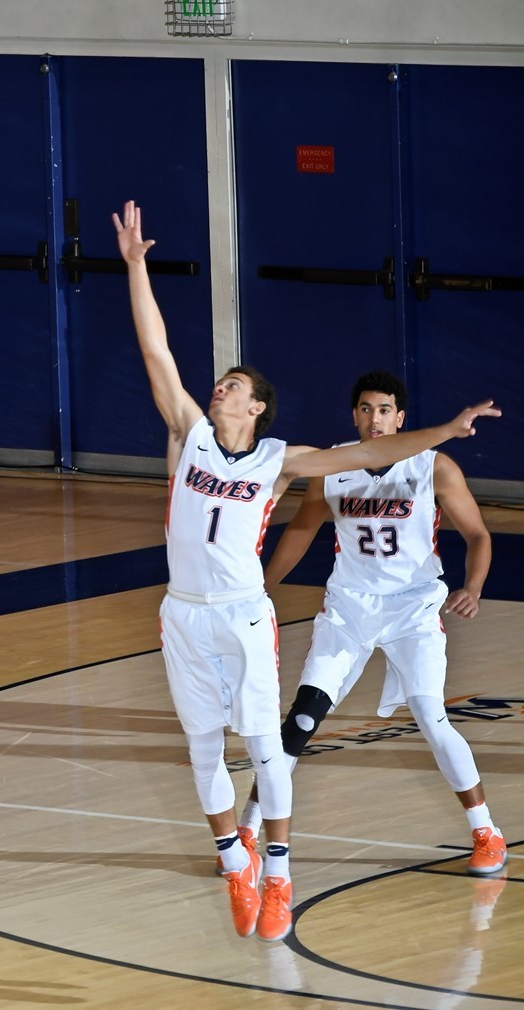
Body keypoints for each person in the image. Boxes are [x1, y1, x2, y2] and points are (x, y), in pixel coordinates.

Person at [113, 200, 500, 943]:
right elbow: (155, 349)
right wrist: (136, 266)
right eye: (218, 382)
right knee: (230, 743)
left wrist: (447, 429)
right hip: (223, 608)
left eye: (232, 384)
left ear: (256, 406)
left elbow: (372, 457)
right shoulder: (188, 435)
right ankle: (237, 855)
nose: (218, 388)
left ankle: (287, 874)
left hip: (339, 609)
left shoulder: (286, 459)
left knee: (296, 735)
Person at [240, 370, 506, 876]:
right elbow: (300, 529)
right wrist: (263, 587)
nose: (374, 418)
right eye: (365, 408)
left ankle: (486, 832)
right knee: (300, 719)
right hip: (350, 608)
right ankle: (249, 828)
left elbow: (478, 535)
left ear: (401, 418)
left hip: (413, 609)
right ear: (354, 415)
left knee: (432, 717)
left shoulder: (435, 466)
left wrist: (471, 587)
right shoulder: (334, 466)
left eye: (384, 410)